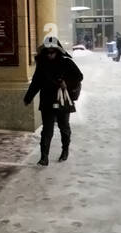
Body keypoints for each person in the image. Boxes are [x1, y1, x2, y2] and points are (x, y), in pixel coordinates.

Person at [22, 28, 84, 166]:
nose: (50, 55)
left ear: (58, 51)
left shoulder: (66, 62)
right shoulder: (42, 65)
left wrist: (65, 82)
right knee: (47, 130)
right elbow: (36, 83)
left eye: (53, 52)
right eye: (48, 52)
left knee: (64, 127)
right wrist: (28, 97)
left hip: (62, 100)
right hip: (47, 101)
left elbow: (79, 77)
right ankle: (44, 157)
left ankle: (65, 150)